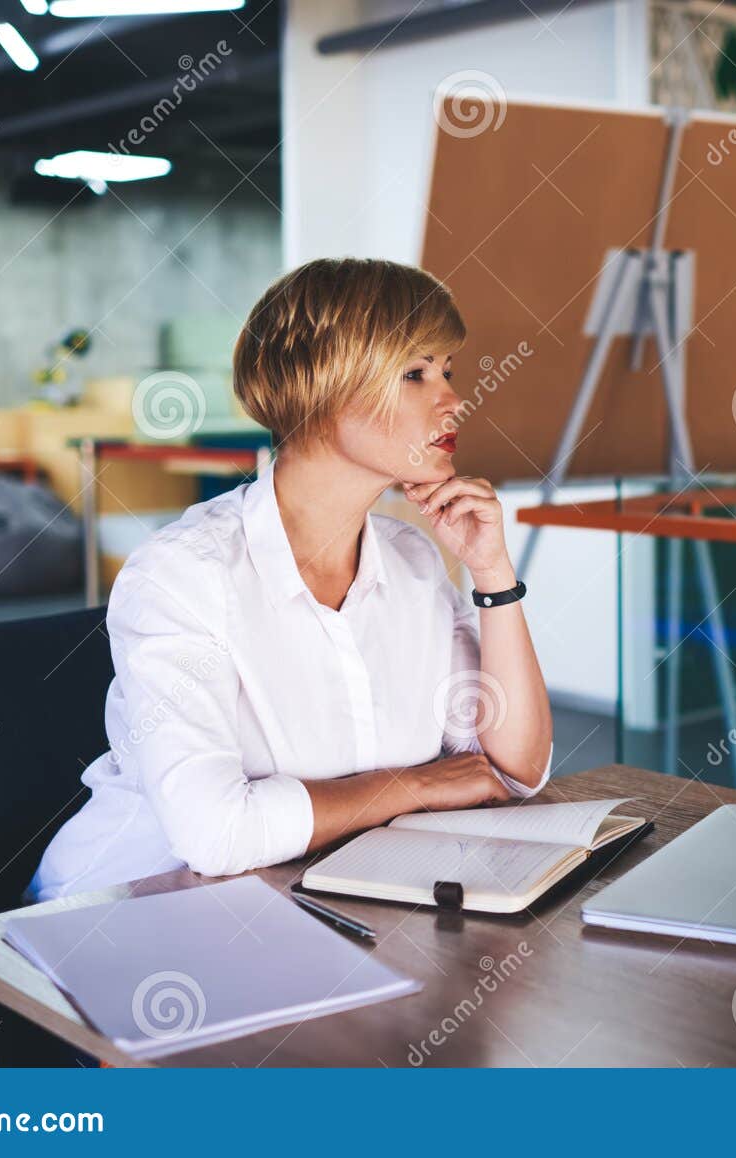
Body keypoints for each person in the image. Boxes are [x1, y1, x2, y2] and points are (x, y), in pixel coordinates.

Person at [30, 259, 554, 901]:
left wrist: (492, 574)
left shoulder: (412, 558)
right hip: (122, 914)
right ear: (324, 391)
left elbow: (512, 769)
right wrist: (410, 786)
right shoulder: (182, 575)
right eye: (415, 373)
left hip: (317, 896)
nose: (452, 398)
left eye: (448, 371)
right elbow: (213, 835)